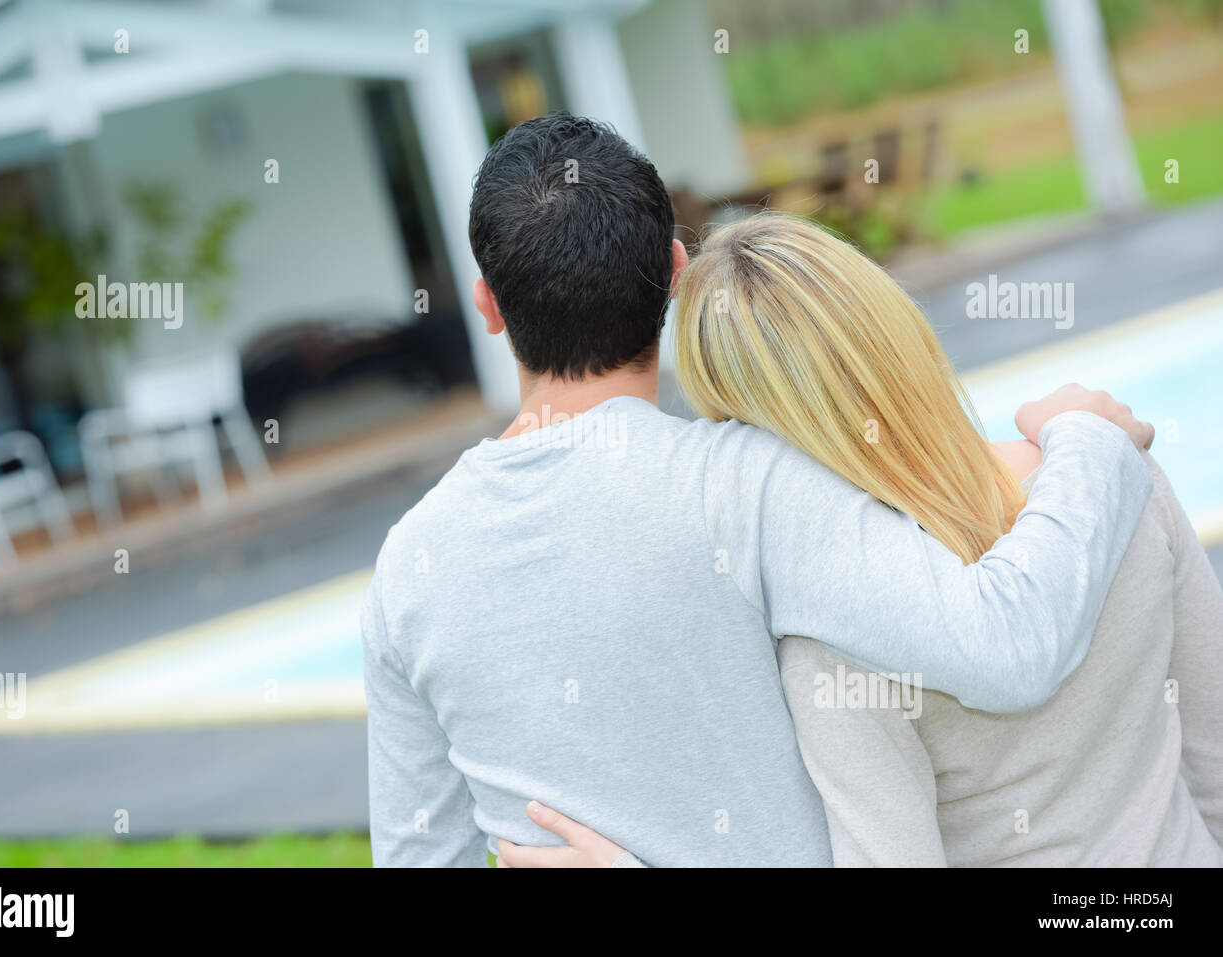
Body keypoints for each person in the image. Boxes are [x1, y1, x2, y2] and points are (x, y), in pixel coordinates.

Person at [363, 114, 1153, 867]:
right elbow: (1010, 646)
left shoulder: (408, 570)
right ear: (676, 274)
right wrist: (1087, 436)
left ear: (488, 307)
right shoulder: (750, 488)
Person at [496, 214, 1220, 868]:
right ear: (892, 328)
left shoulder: (835, 641)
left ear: (746, 430)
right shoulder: (1115, 473)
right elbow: (1214, 753)